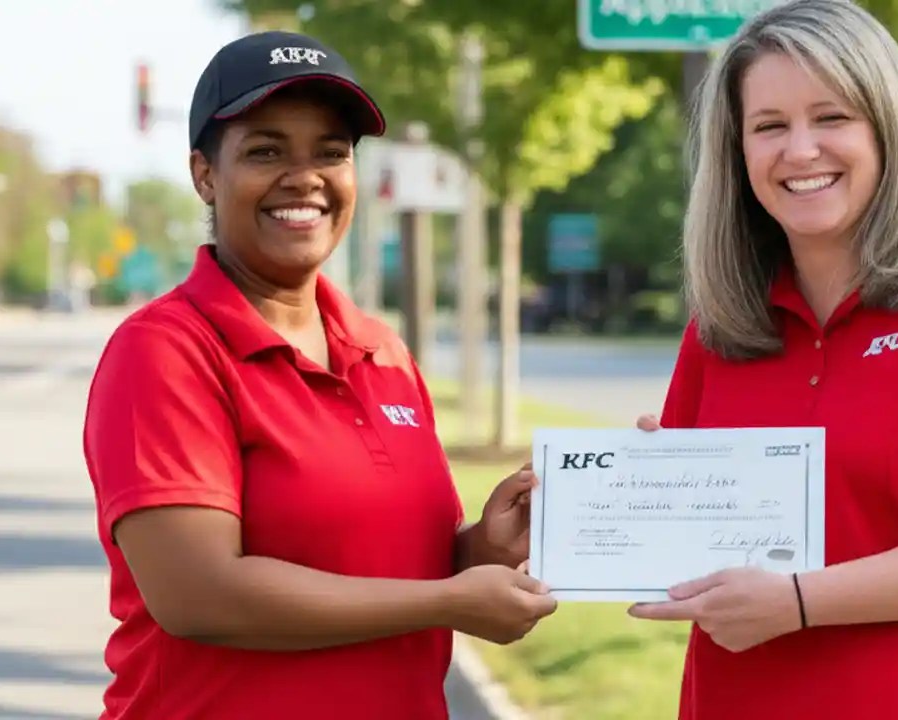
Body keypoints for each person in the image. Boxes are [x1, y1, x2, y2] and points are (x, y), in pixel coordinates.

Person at [82, 31, 556, 720]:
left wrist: (484, 547)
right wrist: (448, 601)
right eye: (266, 151)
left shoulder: (382, 351)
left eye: (331, 152)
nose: (305, 176)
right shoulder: (166, 350)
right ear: (205, 174)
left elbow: (390, 564)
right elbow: (199, 595)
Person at [626, 2, 898, 719]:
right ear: (738, 154)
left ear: (888, 130)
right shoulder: (722, 328)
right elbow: (688, 553)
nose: (800, 151)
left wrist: (799, 601)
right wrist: (639, 497)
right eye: (769, 126)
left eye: (831, 118)